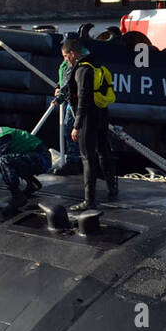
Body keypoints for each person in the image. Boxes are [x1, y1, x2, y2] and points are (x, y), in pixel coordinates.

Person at [62, 38, 117, 211]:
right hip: (102, 114)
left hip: (88, 118)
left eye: (65, 56)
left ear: (72, 54)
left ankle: (89, 200)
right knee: (103, 151)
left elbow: (83, 99)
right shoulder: (95, 66)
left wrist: (76, 125)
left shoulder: (82, 71)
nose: (65, 60)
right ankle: (112, 188)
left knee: (87, 157)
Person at [0, 126, 51, 213]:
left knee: (4, 161)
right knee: (8, 161)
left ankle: (18, 197)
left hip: (41, 160)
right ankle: (32, 184)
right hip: (37, 157)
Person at [52, 48, 82, 175]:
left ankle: (73, 162)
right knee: (69, 129)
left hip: (75, 103)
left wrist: (59, 98)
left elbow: (70, 84)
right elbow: (64, 81)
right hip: (72, 102)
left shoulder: (75, 66)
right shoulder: (68, 65)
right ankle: (77, 161)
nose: (65, 58)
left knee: (69, 129)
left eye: (66, 55)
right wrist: (58, 87)